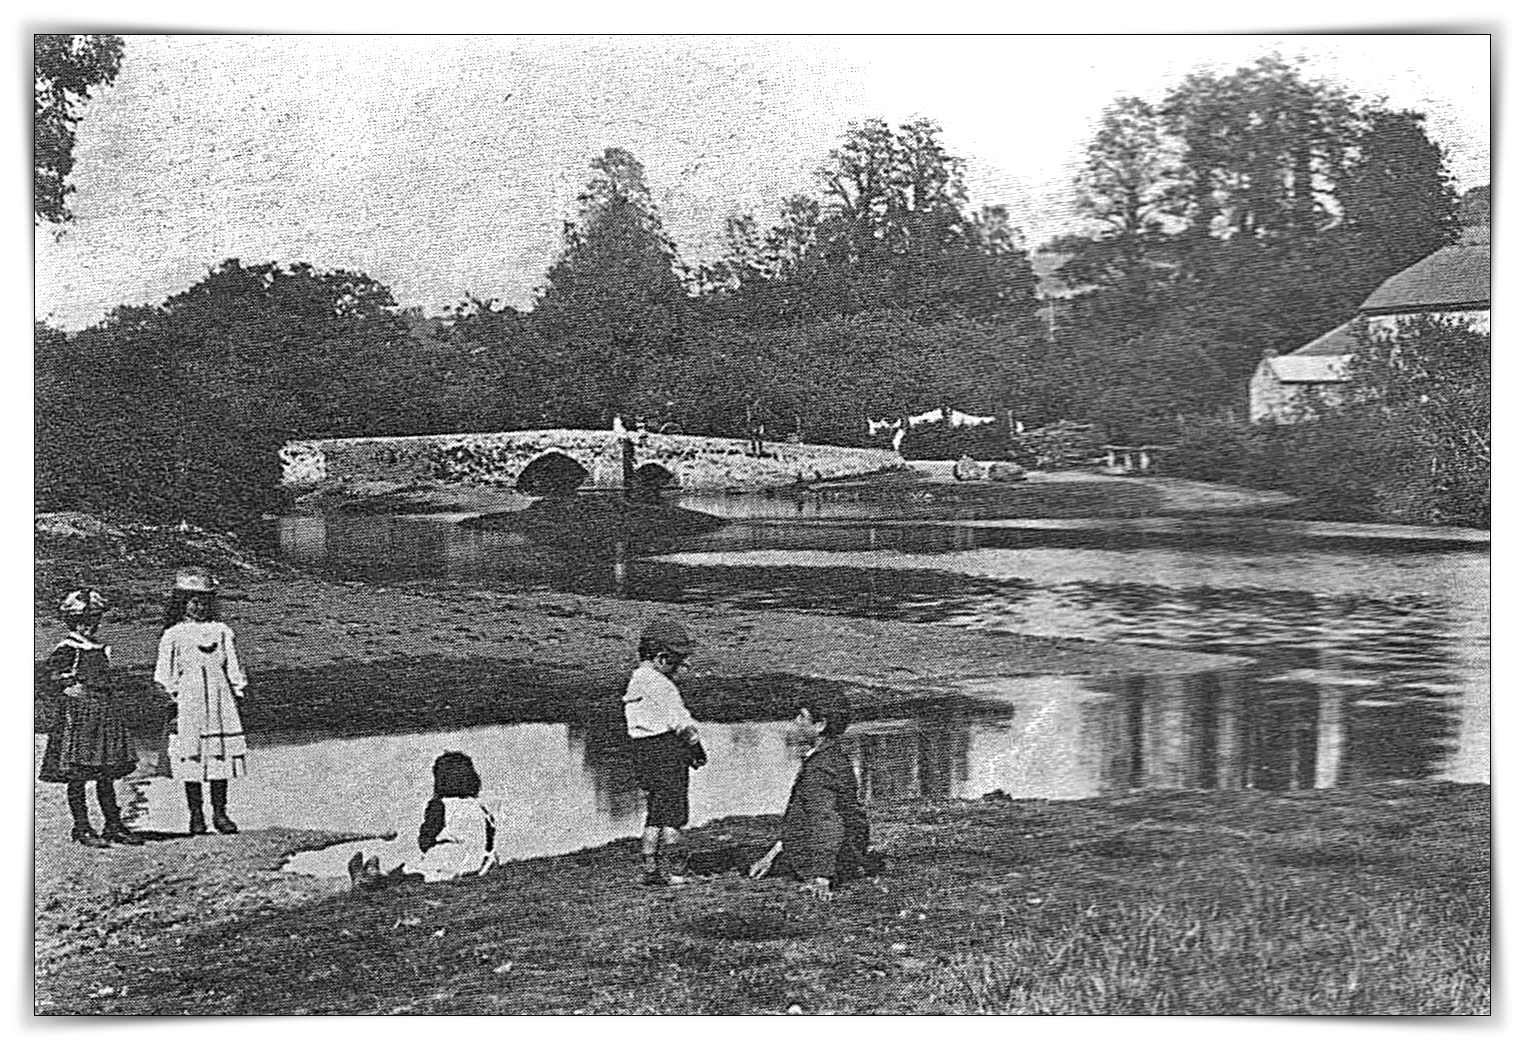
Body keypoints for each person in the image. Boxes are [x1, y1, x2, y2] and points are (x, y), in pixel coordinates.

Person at [38, 588, 144, 848]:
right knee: (77, 775)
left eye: (93, 619)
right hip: (78, 717)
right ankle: (82, 827)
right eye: (83, 620)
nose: (88, 625)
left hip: (103, 713)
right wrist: (67, 686)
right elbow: (46, 680)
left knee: (105, 774)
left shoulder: (100, 648)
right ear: (72, 621)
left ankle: (113, 825)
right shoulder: (67, 648)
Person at [748, 695, 878, 901]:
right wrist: (771, 855)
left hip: (834, 856)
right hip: (841, 850)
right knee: (749, 857)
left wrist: (821, 876)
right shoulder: (830, 756)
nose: (795, 722)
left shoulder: (821, 768)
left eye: (801, 717)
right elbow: (802, 817)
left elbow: (826, 819)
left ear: (820, 725)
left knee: (738, 859)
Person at [154, 568, 249, 836]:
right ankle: (196, 815)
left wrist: (237, 692)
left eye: (204, 601)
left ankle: (220, 813)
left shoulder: (221, 631)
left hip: (220, 702)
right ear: (181, 603)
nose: (198, 607)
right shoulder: (173, 634)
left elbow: (233, 667)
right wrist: (173, 700)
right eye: (192, 601)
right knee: (193, 757)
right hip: (190, 703)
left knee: (219, 755)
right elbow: (164, 674)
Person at [624, 618, 706, 887]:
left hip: (642, 752)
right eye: (677, 662)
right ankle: (675, 873)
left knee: (654, 814)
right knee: (672, 815)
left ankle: (649, 869)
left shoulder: (635, 682)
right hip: (668, 752)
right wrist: (696, 748)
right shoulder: (663, 686)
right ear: (661, 659)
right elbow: (681, 723)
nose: (680, 669)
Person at [348, 751, 498, 890]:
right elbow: (490, 837)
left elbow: (425, 840)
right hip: (477, 863)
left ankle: (370, 881)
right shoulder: (480, 807)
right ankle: (373, 875)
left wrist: (430, 849)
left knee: (408, 872)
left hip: (448, 861)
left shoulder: (440, 805)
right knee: (415, 870)